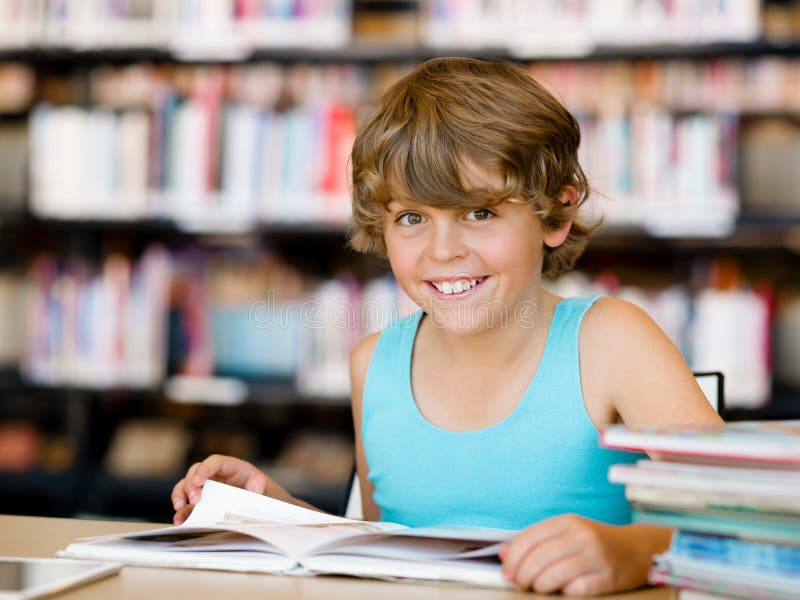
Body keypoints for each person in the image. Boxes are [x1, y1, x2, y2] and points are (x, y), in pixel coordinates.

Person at [171, 57, 723, 595]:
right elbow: (383, 545)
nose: (444, 251)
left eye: (479, 213)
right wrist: (268, 508)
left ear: (556, 214)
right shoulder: (374, 363)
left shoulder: (611, 342)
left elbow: (748, 522)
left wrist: (631, 553)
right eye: (411, 218)